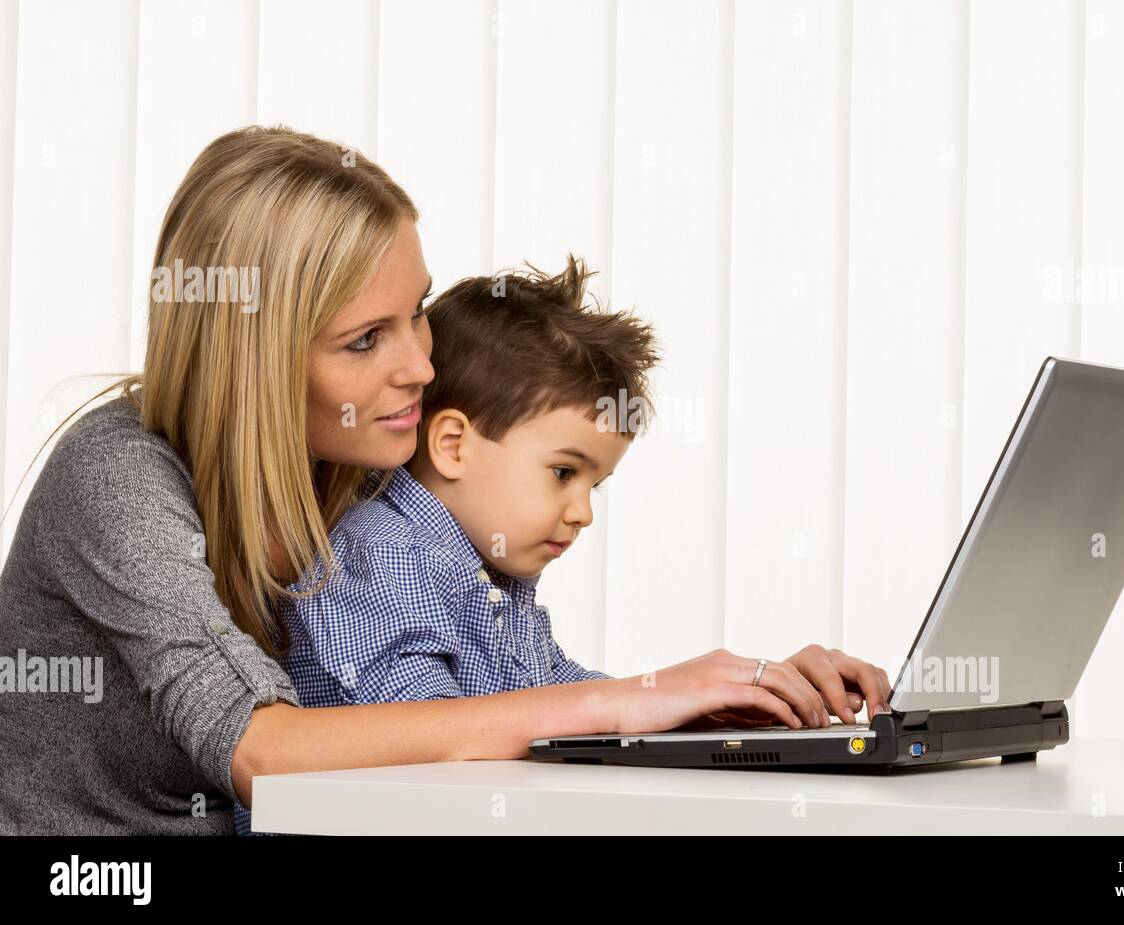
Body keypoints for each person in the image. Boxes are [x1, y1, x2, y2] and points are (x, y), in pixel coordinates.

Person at [0, 125, 891, 835]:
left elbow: (491, 694)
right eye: (364, 341)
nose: (423, 368)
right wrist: (633, 698)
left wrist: (733, 712)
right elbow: (261, 751)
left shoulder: (361, 467)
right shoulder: (117, 481)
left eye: (417, 313)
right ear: (256, 363)